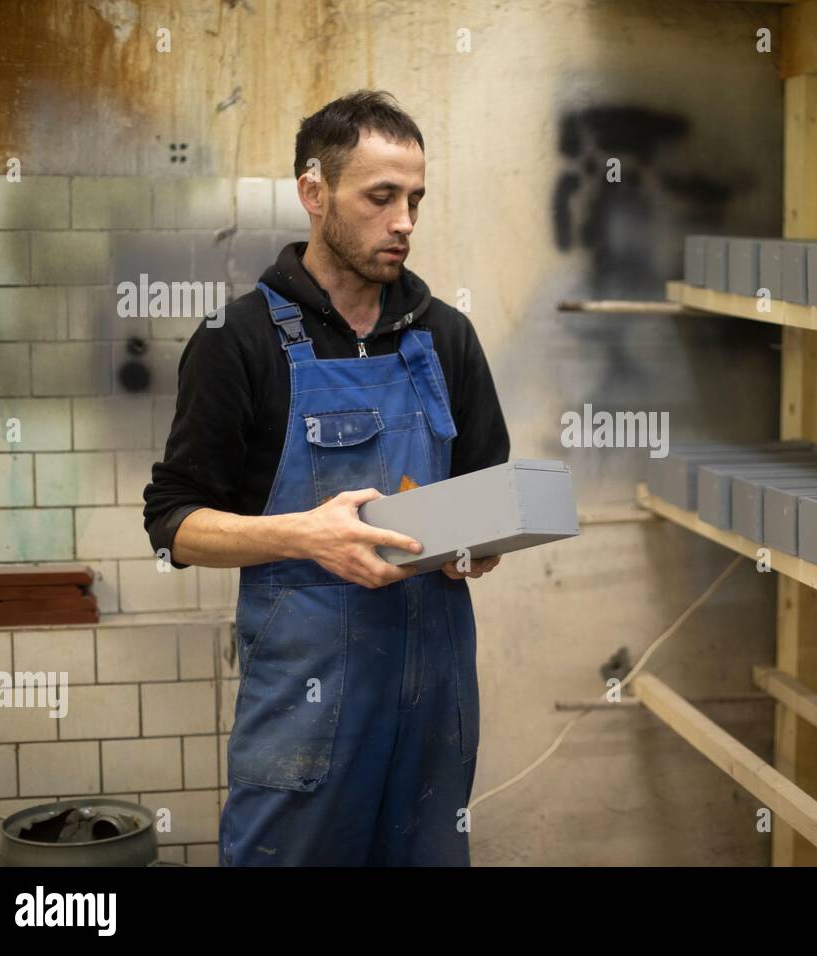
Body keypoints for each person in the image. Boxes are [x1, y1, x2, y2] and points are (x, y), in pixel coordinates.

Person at [142, 90, 510, 865]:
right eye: (380, 197)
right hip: (308, 711)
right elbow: (174, 523)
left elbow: (488, 497)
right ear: (315, 193)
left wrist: (479, 543)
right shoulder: (238, 341)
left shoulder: (447, 335)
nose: (404, 220)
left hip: (433, 701)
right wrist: (306, 536)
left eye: (414, 198)